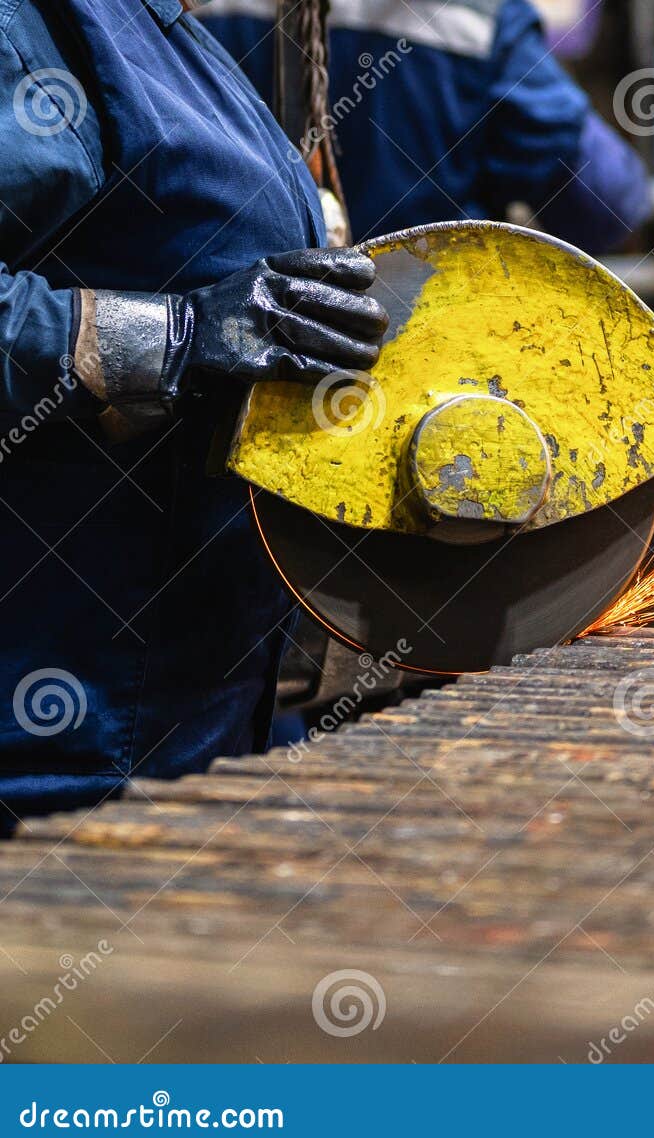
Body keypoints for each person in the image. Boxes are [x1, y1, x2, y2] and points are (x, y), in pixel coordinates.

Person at [0, 0, 389, 822]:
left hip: (193, 723)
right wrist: (175, 338)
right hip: (61, 749)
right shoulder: (31, 25)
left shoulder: (149, 25)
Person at [195, 0, 653, 252]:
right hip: (424, 359)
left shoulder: (183, 10)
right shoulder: (478, 17)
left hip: (236, 361)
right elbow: (607, 204)